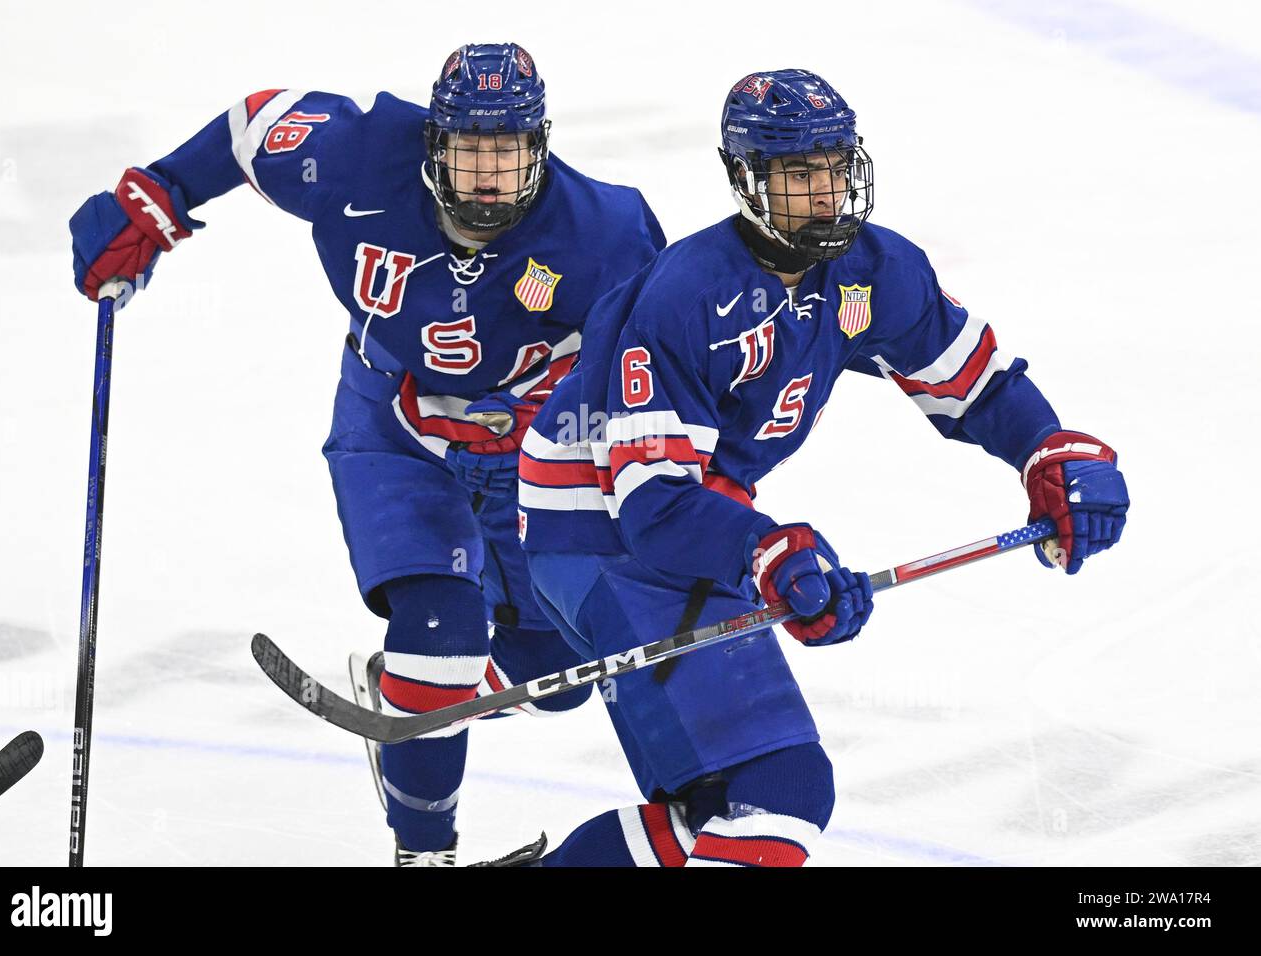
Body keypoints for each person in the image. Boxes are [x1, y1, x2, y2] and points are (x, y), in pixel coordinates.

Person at [68, 43, 666, 866]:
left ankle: (413, 697)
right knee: (442, 637)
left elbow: (652, 374)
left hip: (532, 450)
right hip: (395, 428)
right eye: (468, 148)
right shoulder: (353, 158)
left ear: (541, 144)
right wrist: (157, 199)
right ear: (433, 144)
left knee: (561, 670)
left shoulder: (607, 232)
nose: (488, 173)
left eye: (509, 149)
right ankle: (423, 852)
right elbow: (251, 129)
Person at [514, 69, 1129, 866]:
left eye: (835, 168)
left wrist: (1047, 448)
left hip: (685, 523)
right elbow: (653, 505)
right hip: (597, 525)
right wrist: (766, 553)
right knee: (776, 790)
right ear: (746, 179)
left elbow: (973, 385)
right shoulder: (689, 292)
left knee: (720, 808)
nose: (825, 193)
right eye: (798, 174)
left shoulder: (873, 271)